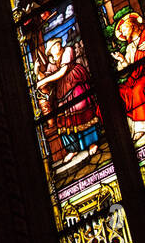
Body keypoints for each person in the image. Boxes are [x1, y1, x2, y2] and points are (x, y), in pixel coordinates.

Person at [34, 37, 100, 170]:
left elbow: (63, 71)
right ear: (50, 52)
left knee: (83, 109)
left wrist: (42, 81)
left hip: (75, 85)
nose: (58, 46)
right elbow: (46, 80)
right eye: (54, 46)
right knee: (62, 120)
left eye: (58, 44)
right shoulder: (51, 65)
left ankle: (92, 143)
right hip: (62, 93)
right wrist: (37, 72)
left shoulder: (68, 51)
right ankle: (72, 149)